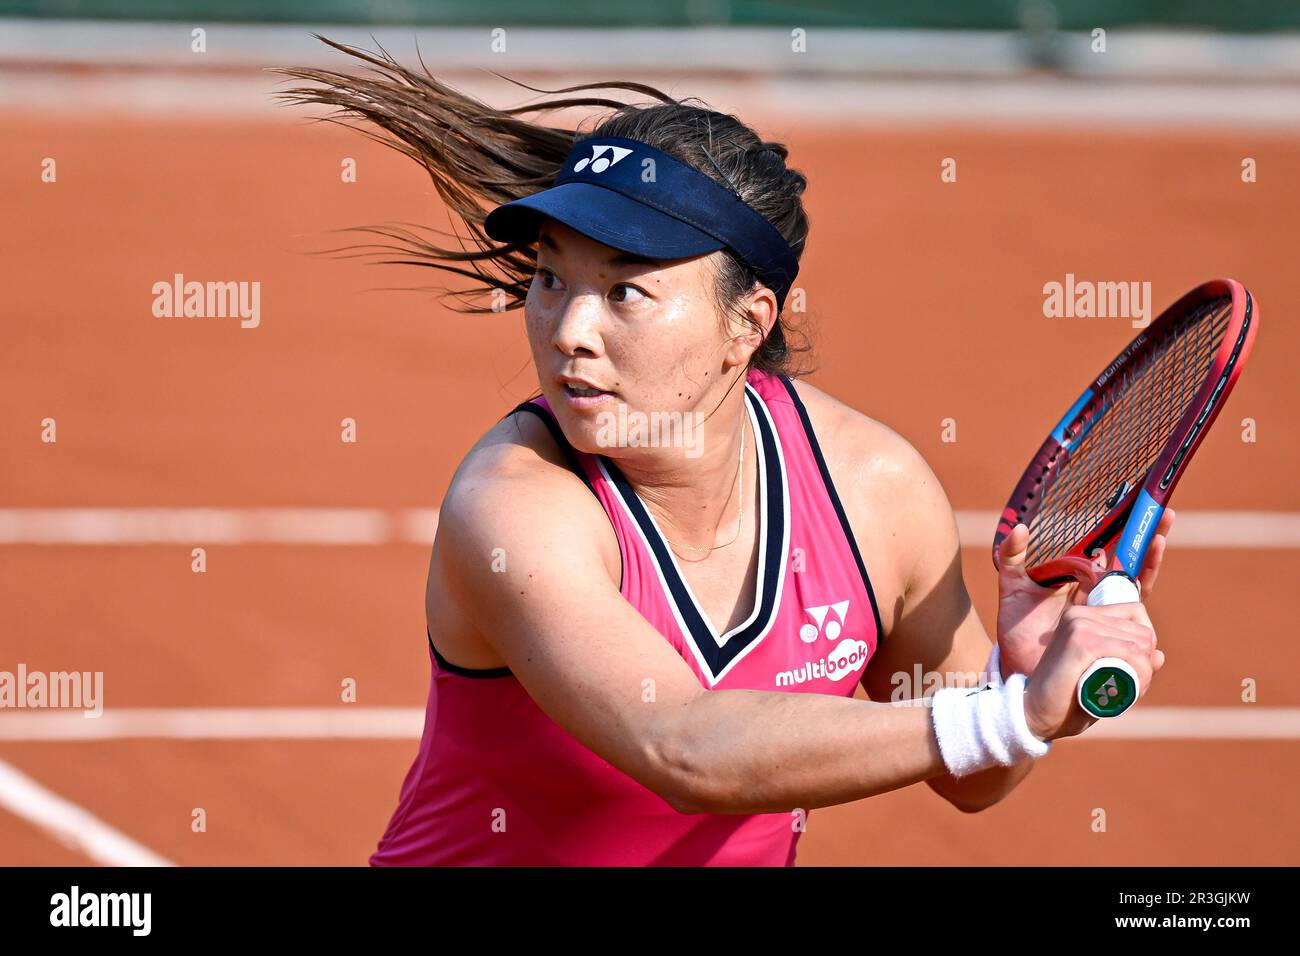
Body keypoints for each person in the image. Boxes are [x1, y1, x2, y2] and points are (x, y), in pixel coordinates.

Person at [276, 40, 1169, 866]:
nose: (568, 331)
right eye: (550, 279)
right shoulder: (515, 504)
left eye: (625, 291)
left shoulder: (874, 492)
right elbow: (684, 748)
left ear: (749, 321)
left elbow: (978, 777)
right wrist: (1013, 713)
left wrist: (1028, 684)